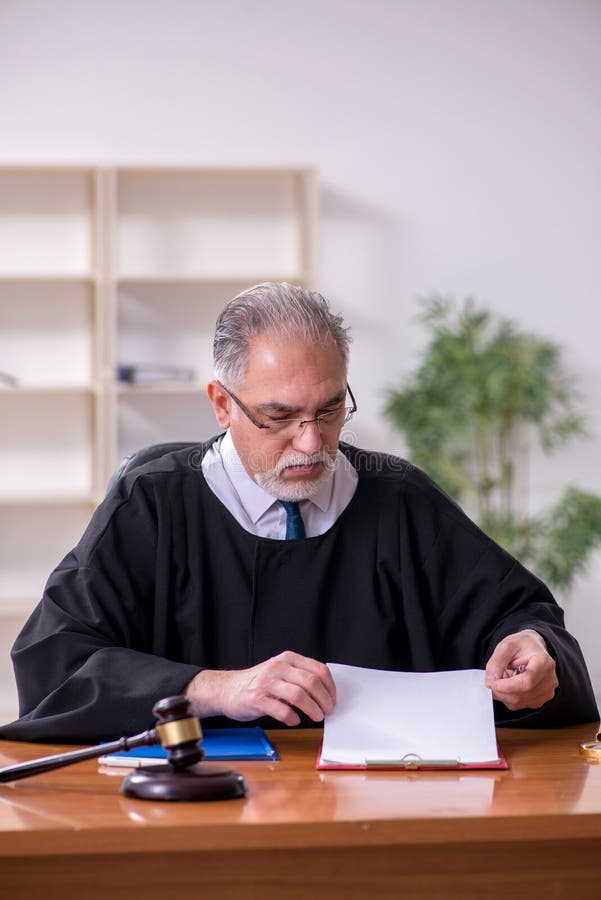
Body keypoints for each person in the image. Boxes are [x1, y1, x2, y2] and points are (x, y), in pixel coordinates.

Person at [1, 283, 598, 742]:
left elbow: (527, 623)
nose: (312, 444)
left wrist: (533, 649)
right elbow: (54, 665)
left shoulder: (399, 498)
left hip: (382, 816)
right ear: (221, 405)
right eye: (280, 417)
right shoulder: (152, 502)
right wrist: (216, 688)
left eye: (331, 409)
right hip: (197, 819)